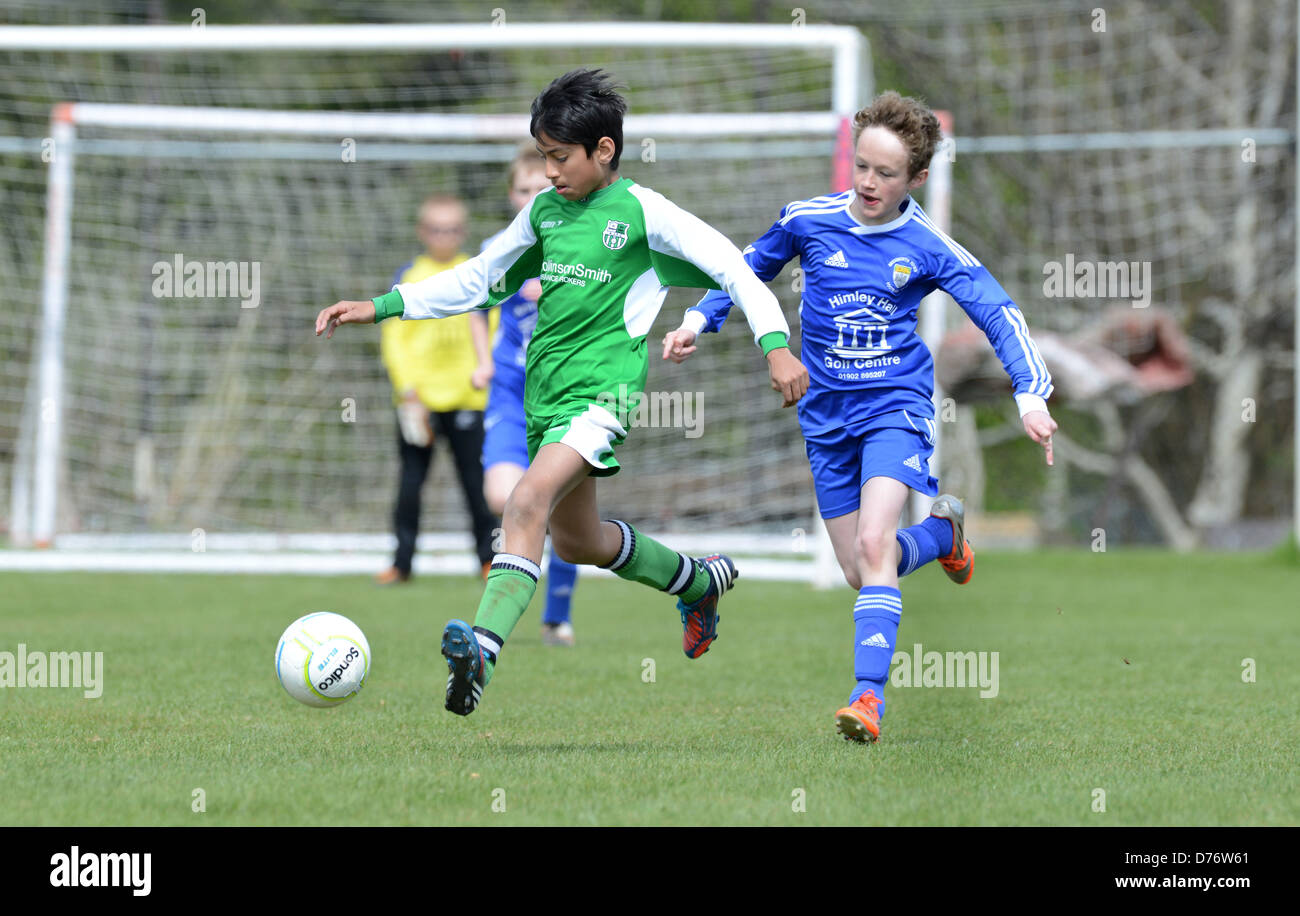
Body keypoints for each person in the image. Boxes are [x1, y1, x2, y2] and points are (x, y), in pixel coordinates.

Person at [316, 68, 809, 718]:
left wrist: (775, 345)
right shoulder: (545, 212)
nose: (549, 171)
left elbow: (733, 268)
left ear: (603, 150)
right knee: (578, 542)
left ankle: (481, 654)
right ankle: (698, 581)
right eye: (543, 156)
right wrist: (382, 306)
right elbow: (477, 280)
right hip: (543, 400)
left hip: (604, 395)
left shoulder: (642, 212)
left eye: (559, 157)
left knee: (524, 502)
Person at [664, 90, 1057, 743]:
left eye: (887, 173)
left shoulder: (926, 245)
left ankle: (867, 699)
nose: (870, 183)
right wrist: (698, 319)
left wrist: (1030, 391)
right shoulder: (808, 220)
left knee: (875, 547)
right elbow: (745, 270)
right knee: (858, 569)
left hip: (893, 408)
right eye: (863, 166)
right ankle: (940, 537)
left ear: (918, 180)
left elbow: (996, 308)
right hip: (823, 416)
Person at [481, 144, 581, 647]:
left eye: (541, 189)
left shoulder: (576, 244)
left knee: (562, 517)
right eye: (523, 190)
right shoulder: (498, 246)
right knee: (503, 495)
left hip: (562, 396)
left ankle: (556, 616)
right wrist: (481, 358)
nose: (531, 197)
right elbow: (476, 304)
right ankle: (518, 576)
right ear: (510, 195)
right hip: (508, 393)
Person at [375, 193, 499, 585]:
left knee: (479, 486)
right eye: (436, 229)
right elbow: (394, 338)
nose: (444, 237)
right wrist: (407, 389)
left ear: (462, 232)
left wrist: (485, 372)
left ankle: (488, 559)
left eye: (452, 230)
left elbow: (492, 325)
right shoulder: (409, 275)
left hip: (469, 398)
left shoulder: (477, 270)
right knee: (410, 484)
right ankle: (402, 563)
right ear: (422, 232)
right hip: (418, 401)